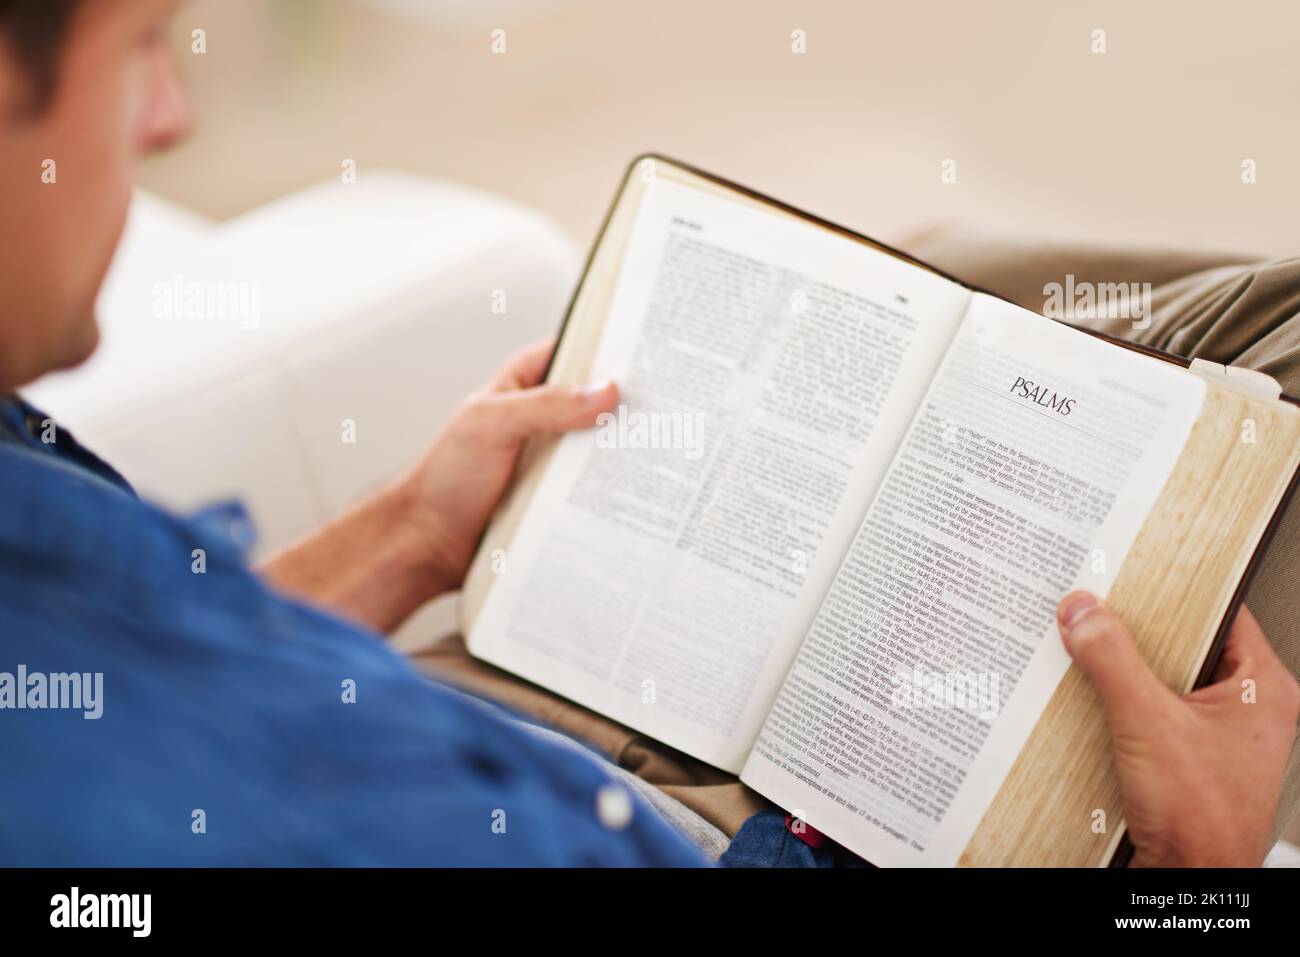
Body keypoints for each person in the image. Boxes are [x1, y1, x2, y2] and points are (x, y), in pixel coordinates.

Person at [0, 0, 1294, 867]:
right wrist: (1198, 875)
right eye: (145, 47)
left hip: (503, 686)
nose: (170, 119)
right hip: (742, 814)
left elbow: (154, 652)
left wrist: (410, 533)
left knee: (927, 290)